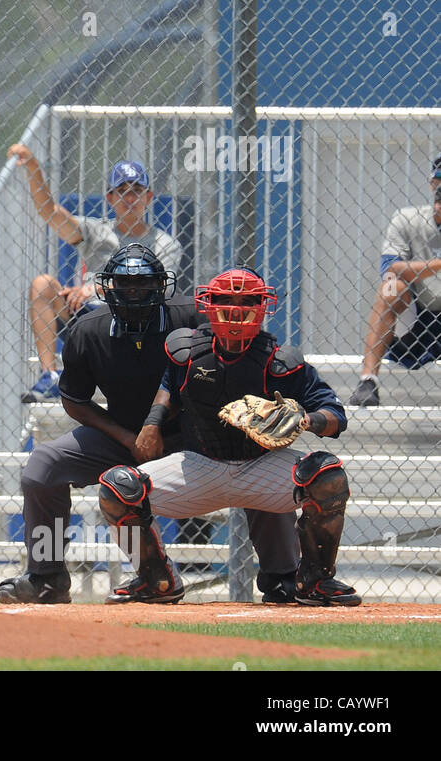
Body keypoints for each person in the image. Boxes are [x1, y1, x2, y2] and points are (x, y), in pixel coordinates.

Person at [0, 245, 299, 605]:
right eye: (125, 284)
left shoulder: (192, 318)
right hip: (122, 432)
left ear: (161, 286)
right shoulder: (88, 331)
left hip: (195, 433)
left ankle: (283, 577)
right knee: (42, 467)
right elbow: (74, 401)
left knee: (254, 455)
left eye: (143, 284)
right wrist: (128, 437)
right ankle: (48, 576)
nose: (134, 292)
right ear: (107, 288)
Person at [99, 266, 359, 606]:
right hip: (200, 465)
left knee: (328, 476)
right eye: (226, 300)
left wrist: (304, 420)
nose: (236, 309)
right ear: (209, 304)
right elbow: (170, 388)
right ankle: (156, 579)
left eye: (246, 301)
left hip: (262, 466)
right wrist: (152, 423)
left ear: (263, 306)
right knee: (118, 488)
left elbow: (335, 416)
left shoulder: (282, 361)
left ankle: (313, 580)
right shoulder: (187, 351)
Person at [10, 144, 184, 402]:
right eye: (121, 191)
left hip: (138, 325)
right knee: (43, 284)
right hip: (89, 318)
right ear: (110, 198)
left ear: (149, 198)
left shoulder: (166, 244)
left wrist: (94, 288)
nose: (130, 198)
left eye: (137, 191)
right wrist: (34, 169)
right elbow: (50, 213)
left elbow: (162, 290)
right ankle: (50, 376)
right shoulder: (97, 232)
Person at [347, 153, 441, 406]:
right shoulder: (408, 219)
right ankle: (368, 381)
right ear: (432, 183)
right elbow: (390, 268)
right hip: (416, 317)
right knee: (391, 286)